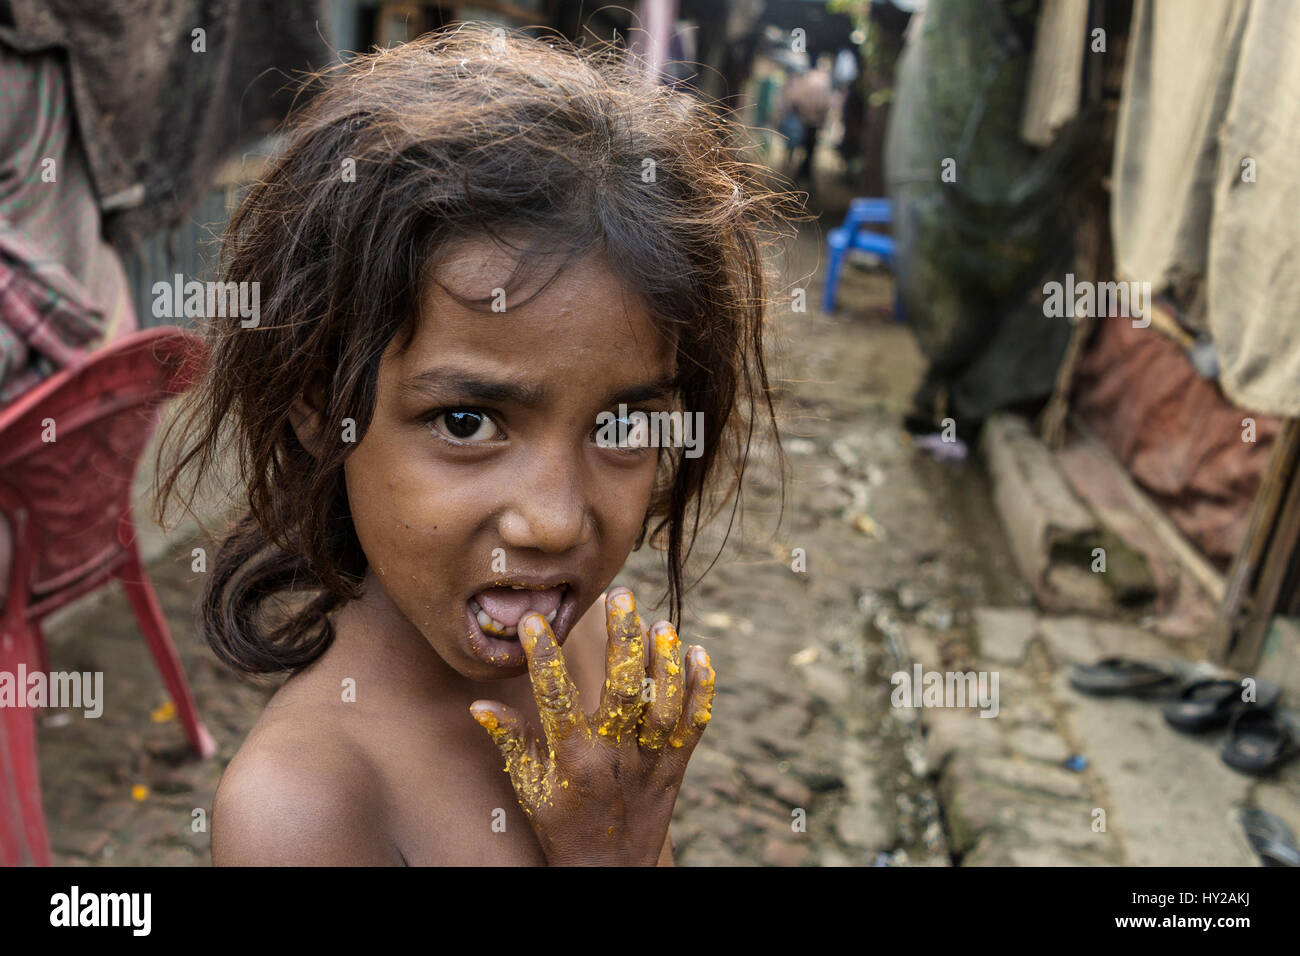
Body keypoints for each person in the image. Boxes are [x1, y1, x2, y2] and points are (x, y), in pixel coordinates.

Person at [157, 25, 795, 865]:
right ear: (320, 406)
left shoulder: (596, 650)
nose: (556, 523)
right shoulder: (306, 811)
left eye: (623, 426)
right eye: (467, 423)